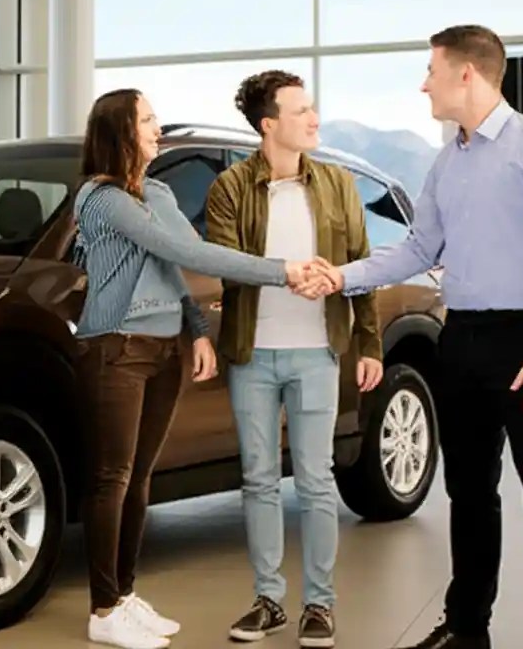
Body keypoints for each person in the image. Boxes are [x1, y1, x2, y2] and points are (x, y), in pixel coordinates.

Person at [304, 24, 523, 649]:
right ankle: (469, 627)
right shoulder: (447, 160)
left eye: (431, 70)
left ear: (468, 73)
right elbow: (417, 248)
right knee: (468, 492)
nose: (423, 83)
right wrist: (342, 277)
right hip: (461, 338)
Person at [71, 88, 312, 649]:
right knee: (113, 478)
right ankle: (103, 608)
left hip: (161, 352)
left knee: (140, 477)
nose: (158, 128)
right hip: (116, 348)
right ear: (119, 132)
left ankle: (125, 596)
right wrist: (284, 271)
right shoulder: (103, 199)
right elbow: (195, 255)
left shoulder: (155, 192)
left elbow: (171, 267)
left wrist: (197, 331)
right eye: (147, 120)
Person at [203, 70, 383, 648]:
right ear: (268, 124)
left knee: (316, 480)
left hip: (318, 353)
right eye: (301, 110)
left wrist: (370, 343)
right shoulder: (229, 187)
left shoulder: (337, 184)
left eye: (312, 108)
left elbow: (361, 265)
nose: (313, 118)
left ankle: (320, 606)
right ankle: (268, 600)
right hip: (252, 354)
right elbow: (227, 263)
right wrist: (289, 273)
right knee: (257, 479)